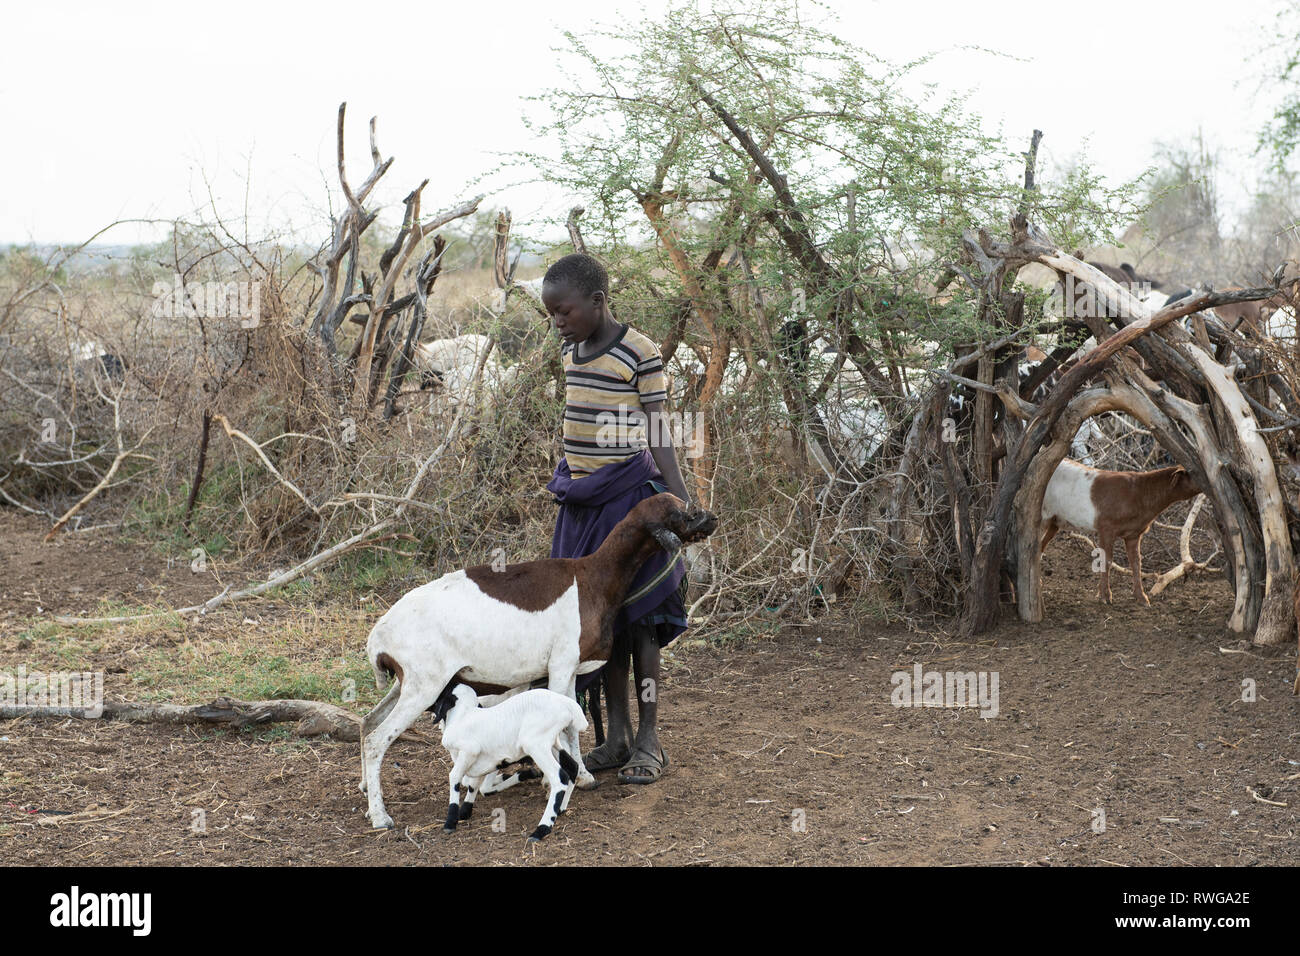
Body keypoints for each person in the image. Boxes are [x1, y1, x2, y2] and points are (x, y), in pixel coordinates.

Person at [541, 252, 693, 785]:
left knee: (644, 619)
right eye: (552, 315)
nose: (558, 322)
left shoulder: (639, 353)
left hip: (632, 501)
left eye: (564, 311)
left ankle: (650, 740)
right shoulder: (571, 352)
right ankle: (616, 737)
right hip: (583, 506)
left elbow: (658, 432)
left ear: (598, 301)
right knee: (599, 625)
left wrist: (681, 506)